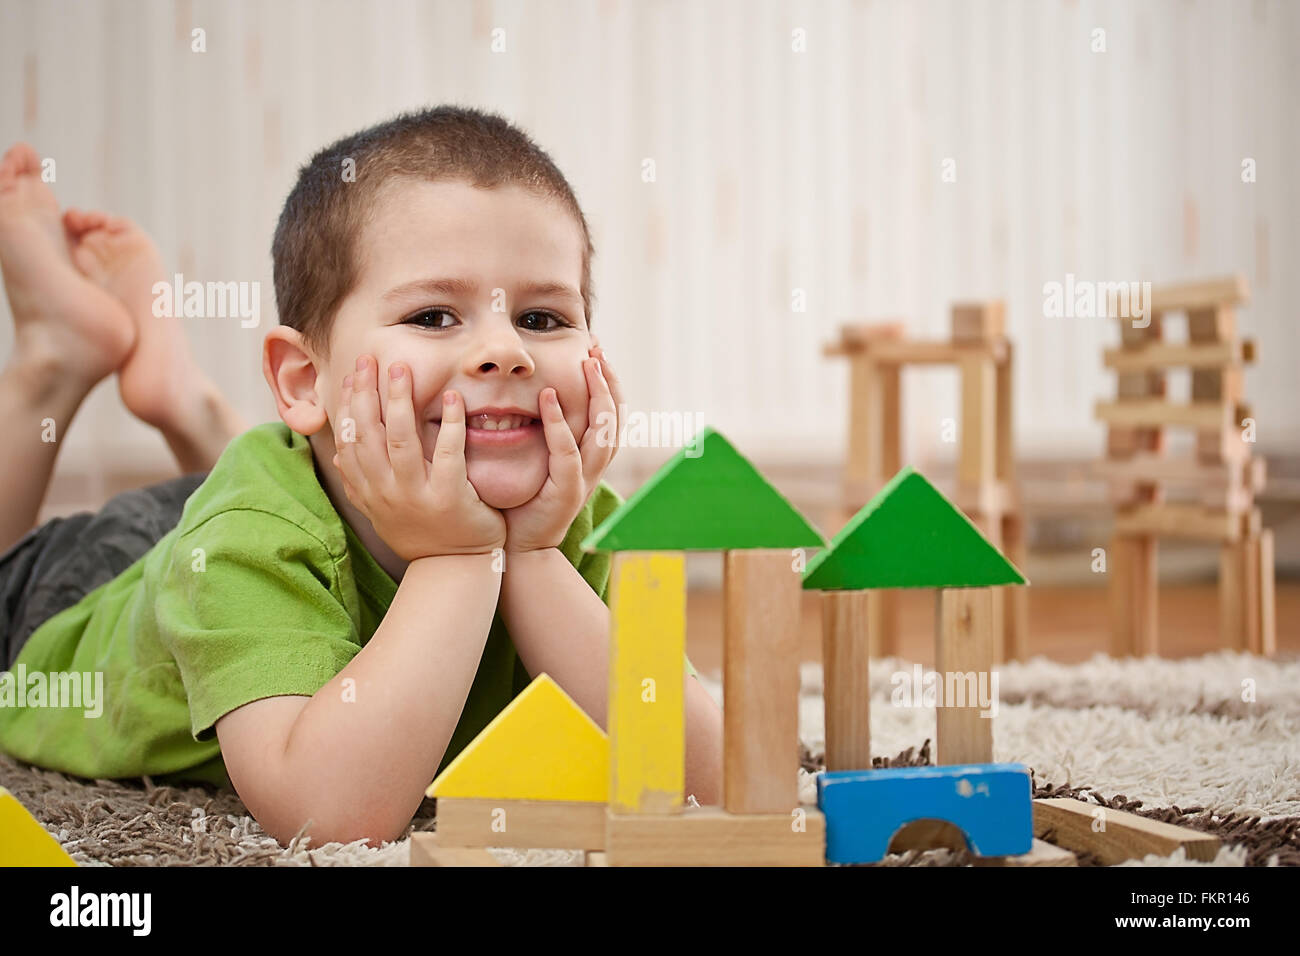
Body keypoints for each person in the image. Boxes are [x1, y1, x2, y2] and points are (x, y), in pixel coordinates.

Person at [0, 107, 724, 849]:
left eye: (543, 319)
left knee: (273, 493)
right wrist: (461, 558)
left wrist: (536, 559)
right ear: (306, 378)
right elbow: (330, 817)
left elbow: (706, 777)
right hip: (86, 586)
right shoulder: (247, 537)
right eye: (437, 316)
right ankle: (52, 363)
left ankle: (188, 402)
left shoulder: (577, 510)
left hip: (302, 488)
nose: (505, 351)